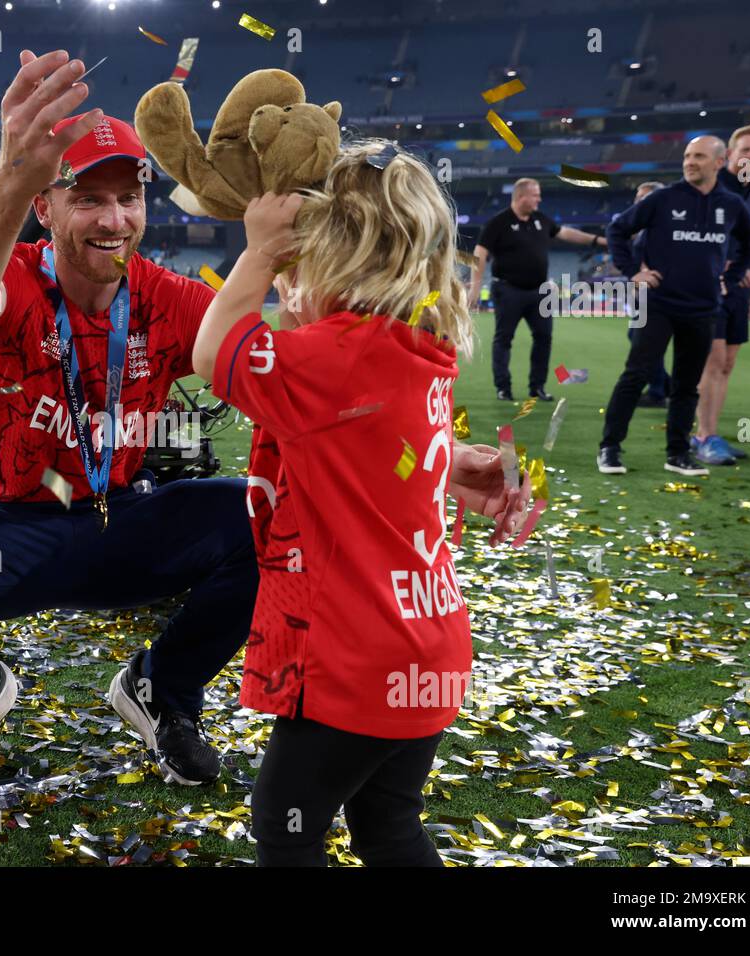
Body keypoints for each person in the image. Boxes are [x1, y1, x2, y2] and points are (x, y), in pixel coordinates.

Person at [0, 49, 258, 792]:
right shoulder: (8, 277)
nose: (114, 220)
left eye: (128, 198)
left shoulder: (168, 296)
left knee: (268, 513)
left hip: (125, 523)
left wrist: (434, 452)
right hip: (11, 530)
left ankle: (163, 689)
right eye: (87, 198)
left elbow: (282, 379)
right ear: (43, 207)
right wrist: (15, 165)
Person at [191, 142, 528, 867]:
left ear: (335, 253)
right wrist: (452, 468)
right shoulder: (413, 343)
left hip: (356, 655)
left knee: (286, 830)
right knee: (389, 827)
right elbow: (378, 445)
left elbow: (213, 350)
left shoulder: (332, 357)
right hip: (427, 643)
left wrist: (256, 254)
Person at [598, 136, 750, 476]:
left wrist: (733, 276)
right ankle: (610, 448)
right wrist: (633, 272)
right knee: (636, 375)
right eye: (687, 156)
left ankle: (678, 453)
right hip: (657, 305)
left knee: (686, 385)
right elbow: (617, 229)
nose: (690, 162)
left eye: (698, 156)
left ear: (719, 161)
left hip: (703, 308)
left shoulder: (731, 206)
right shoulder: (661, 199)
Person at [469, 178, 608, 402]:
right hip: (508, 290)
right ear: (521, 196)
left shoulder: (540, 220)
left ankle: (538, 387)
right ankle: (503, 388)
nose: (539, 199)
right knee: (503, 339)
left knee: (544, 338)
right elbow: (480, 252)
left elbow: (565, 233)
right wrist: (475, 286)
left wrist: (597, 240)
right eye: (536, 195)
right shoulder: (498, 222)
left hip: (539, 292)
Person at [692, 125, 750, 465]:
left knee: (728, 364)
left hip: (741, 290)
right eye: (746, 150)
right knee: (714, 360)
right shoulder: (711, 186)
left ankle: (709, 434)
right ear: (729, 157)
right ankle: (705, 435)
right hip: (711, 287)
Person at [630, 182, 671, 408]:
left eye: (643, 197)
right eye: (637, 196)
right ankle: (664, 384)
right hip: (644, 294)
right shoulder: (645, 228)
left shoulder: (659, 228)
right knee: (639, 339)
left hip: (654, 296)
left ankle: (658, 389)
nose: (638, 201)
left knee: (647, 342)